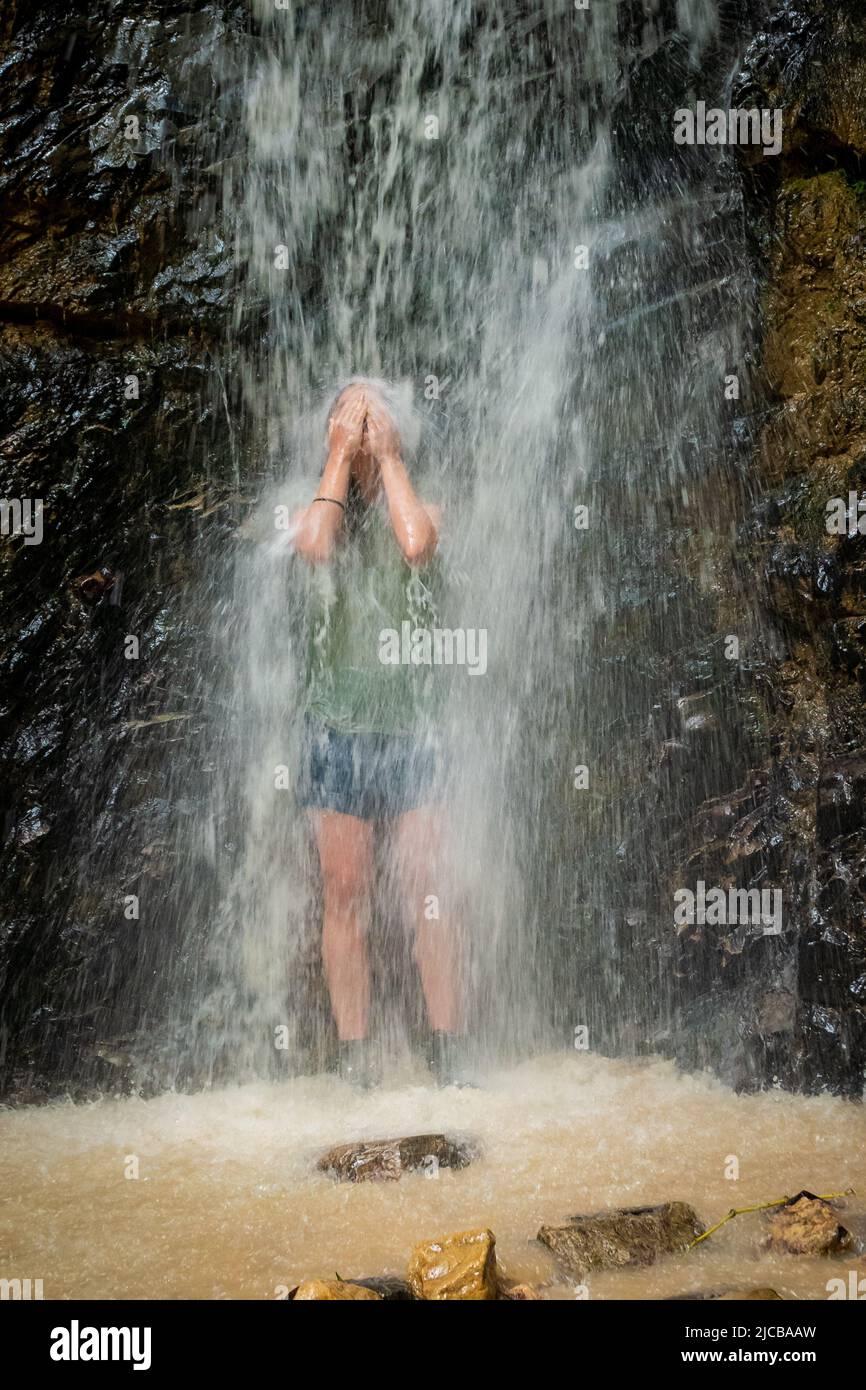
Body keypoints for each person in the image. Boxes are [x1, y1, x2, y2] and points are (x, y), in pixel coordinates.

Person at [291, 379, 467, 1087]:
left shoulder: (431, 509)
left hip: (418, 730)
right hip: (336, 731)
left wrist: (389, 458)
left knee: (432, 886)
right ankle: (358, 1059)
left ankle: (449, 1052)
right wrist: (339, 454)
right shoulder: (315, 514)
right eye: (351, 420)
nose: (363, 432)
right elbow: (313, 546)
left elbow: (417, 544)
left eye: (374, 421)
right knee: (345, 890)